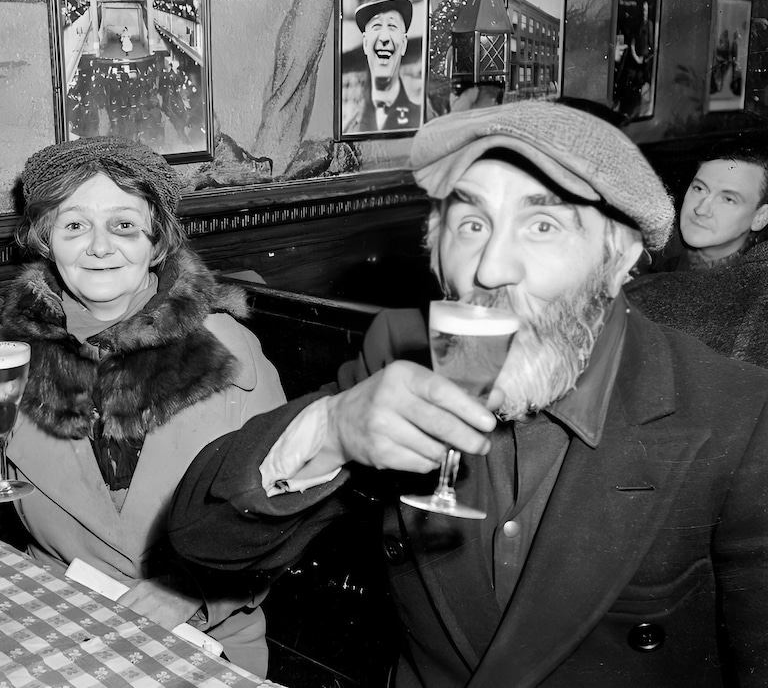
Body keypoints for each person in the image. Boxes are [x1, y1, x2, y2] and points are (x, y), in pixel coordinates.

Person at [168, 101, 768, 687]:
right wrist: (330, 430)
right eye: (473, 224)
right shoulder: (403, 354)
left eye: (543, 224)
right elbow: (205, 541)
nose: (490, 268)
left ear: (620, 259)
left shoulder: (738, 415)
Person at [0, 137, 286, 677]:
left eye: (124, 225)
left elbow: (287, 513)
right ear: (47, 242)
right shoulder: (11, 358)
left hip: (204, 641)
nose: (99, 247)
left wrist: (189, 593)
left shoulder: (229, 354)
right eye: (74, 225)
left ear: (156, 240)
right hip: (60, 625)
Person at [626, 144, 768, 367]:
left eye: (728, 199)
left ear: (761, 217)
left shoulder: (759, 292)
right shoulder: (637, 256)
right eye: (699, 189)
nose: (702, 209)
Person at [342, 0, 422, 134]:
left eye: (392, 26)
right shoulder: (348, 130)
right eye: (377, 26)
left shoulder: (423, 120)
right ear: (364, 43)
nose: (384, 38)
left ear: (404, 43)